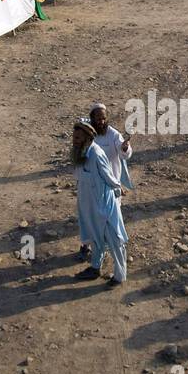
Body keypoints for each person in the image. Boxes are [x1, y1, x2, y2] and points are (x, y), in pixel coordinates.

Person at [71, 119, 129, 287]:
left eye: (78, 138)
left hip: (103, 204)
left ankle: (120, 275)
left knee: (114, 239)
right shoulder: (78, 152)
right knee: (95, 237)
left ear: (88, 139)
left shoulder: (96, 154)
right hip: (87, 203)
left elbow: (108, 175)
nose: (74, 140)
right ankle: (95, 267)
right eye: (74, 137)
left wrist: (118, 188)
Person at [78, 103, 133, 261]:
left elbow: (125, 155)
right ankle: (87, 243)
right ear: (92, 119)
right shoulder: (87, 134)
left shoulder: (113, 135)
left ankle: (114, 244)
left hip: (110, 184)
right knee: (89, 214)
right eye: (98, 118)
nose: (101, 121)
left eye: (103, 118)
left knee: (110, 217)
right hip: (91, 184)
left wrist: (124, 148)